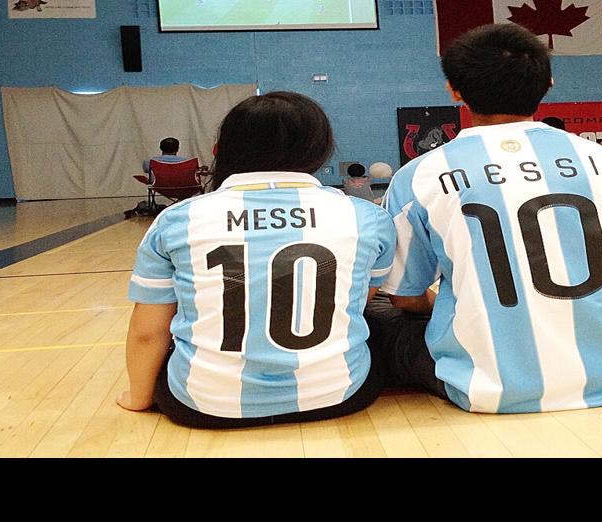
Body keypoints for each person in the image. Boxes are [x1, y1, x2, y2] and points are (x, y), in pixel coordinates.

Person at [367, 22, 602, 414]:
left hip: (485, 387)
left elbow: (407, 298)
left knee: (379, 311)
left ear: (454, 89)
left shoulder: (418, 176)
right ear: (549, 82)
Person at [118, 91, 395, 428]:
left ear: (225, 147)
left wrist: (138, 398)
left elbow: (149, 333)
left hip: (201, 407)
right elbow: (357, 305)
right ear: (320, 149)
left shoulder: (178, 219)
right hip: (341, 398)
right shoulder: (366, 216)